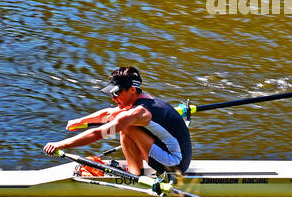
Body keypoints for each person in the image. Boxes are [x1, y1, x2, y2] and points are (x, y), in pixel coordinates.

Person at [44, 67, 192, 177]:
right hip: (177, 155)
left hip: (174, 165)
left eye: (117, 93)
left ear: (132, 90)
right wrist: (79, 121)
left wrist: (60, 144)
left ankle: (134, 174)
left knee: (126, 128)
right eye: (112, 93)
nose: (114, 98)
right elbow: (109, 113)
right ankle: (135, 169)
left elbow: (98, 133)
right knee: (125, 123)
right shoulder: (145, 100)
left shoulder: (138, 113)